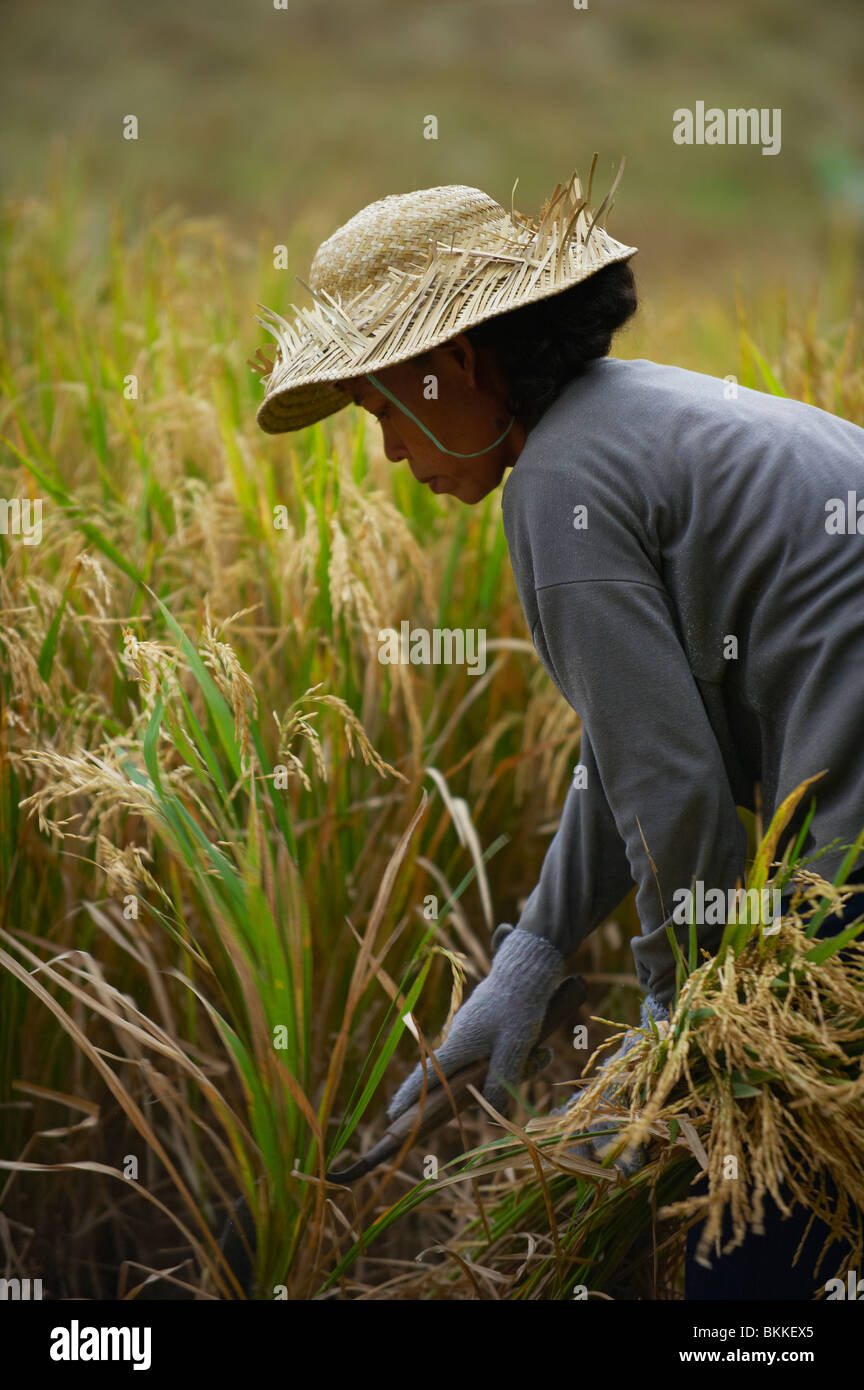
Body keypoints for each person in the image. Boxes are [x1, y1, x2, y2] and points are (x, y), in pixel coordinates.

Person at [254, 166, 864, 1299]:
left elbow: (674, 789)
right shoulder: (634, 420)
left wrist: (683, 1026)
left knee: (753, 1252)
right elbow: (637, 746)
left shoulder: (562, 487)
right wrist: (533, 953)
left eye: (384, 408)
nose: (388, 452)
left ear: (458, 367)